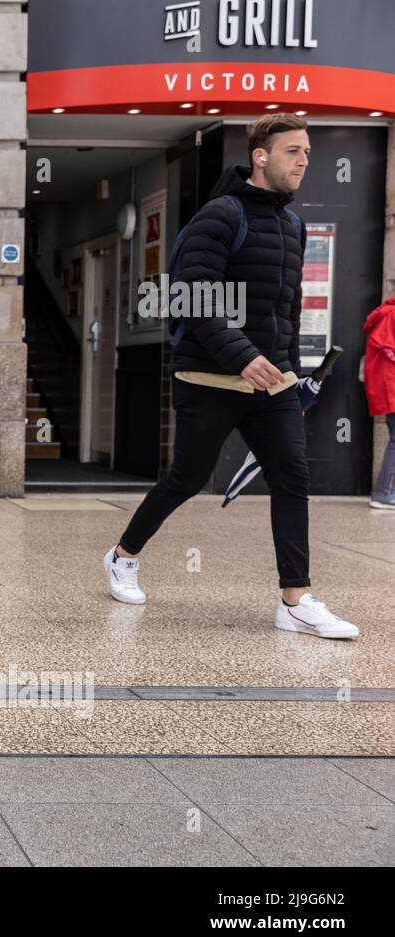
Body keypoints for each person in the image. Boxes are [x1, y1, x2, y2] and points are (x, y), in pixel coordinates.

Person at [104, 114, 359, 639]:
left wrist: (288, 368)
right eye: (293, 151)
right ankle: (123, 555)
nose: (304, 161)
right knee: (188, 477)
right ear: (261, 157)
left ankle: (295, 599)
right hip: (211, 379)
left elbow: (288, 308)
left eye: (307, 152)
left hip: (273, 384)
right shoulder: (221, 215)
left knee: (293, 478)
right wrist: (241, 355)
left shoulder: (293, 224)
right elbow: (193, 295)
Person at [364, 296, 395, 509]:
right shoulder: (392, 316)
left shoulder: (386, 314)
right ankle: (384, 493)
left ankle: (386, 492)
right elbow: (389, 350)